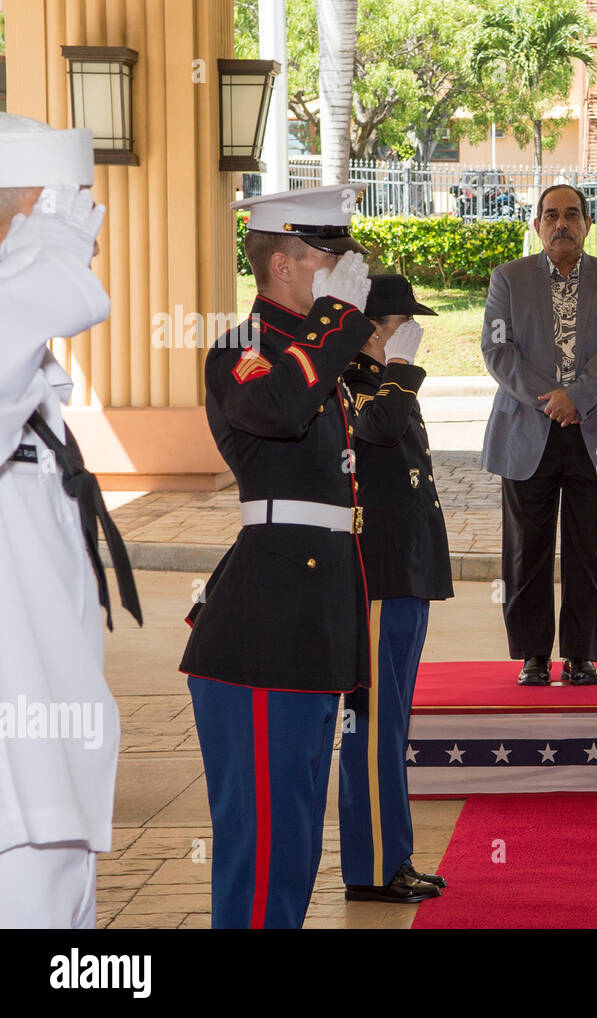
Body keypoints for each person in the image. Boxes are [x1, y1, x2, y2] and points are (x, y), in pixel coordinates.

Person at [179, 185, 375, 928]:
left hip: (308, 616)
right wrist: (336, 325)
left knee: (292, 837)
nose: (348, 267)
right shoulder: (243, 351)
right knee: (263, 844)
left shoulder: (314, 356)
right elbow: (279, 410)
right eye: (334, 256)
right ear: (286, 264)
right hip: (264, 627)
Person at [0, 113, 140, 928]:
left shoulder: (29, 366)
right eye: (67, 202)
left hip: (48, 740)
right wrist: (46, 255)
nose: (87, 224)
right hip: (17, 771)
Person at [480, 185, 597, 687]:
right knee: (525, 547)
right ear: (536, 225)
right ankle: (533, 654)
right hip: (528, 427)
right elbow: (497, 350)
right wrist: (551, 398)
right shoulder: (508, 279)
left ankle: (581, 654)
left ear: (588, 224)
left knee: (590, 544)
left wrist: (579, 395)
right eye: (551, 215)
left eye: (572, 214)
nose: (561, 224)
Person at [338, 274, 451, 903]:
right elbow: (378, 428)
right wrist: (400, 364)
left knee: (390, 723)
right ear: (380, 325)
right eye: (403, 321)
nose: (413, 330)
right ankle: (374, 867)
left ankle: (392, 856)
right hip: (376, 571)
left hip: (403, 568)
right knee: (373, 723)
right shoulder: (354, 379)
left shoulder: (381, 379)